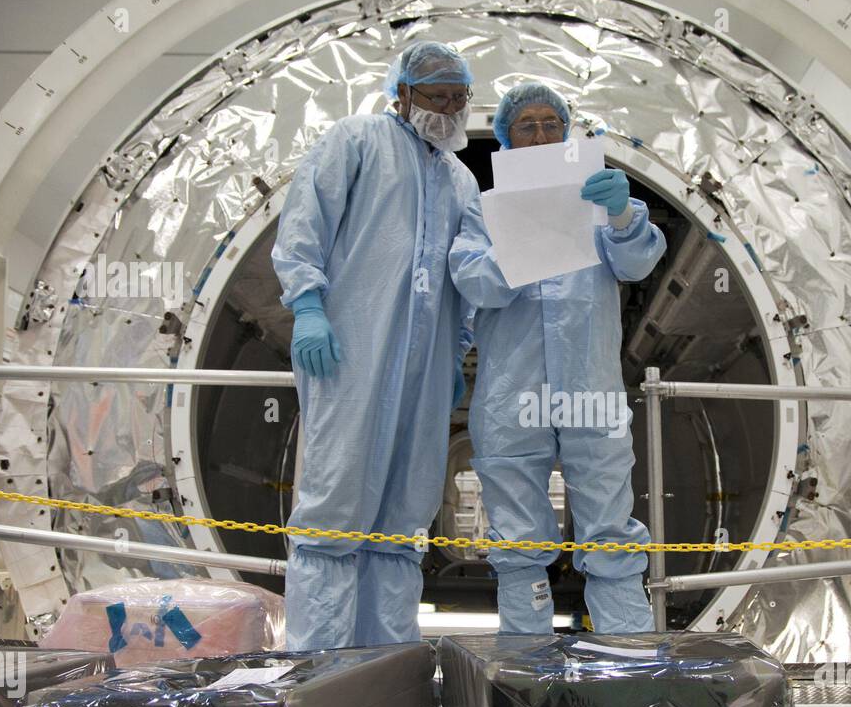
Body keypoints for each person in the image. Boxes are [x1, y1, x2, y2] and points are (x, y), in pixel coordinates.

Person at [271, 41, 477, 650]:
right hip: (349, 355)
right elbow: (304, 220)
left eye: (459, 99)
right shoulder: (356, 141)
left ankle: (385, 669)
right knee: (334, 508)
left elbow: (458, 279)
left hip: (426, 370)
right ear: (402, 92)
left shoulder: (460, 180)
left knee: (400, 522)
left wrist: (456, 354)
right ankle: (320, 669)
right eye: (436, 95)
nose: (448, 108)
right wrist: (307, 304)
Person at [449, 81, 667, 634]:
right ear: (506, 138)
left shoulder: (601, 201)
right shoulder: (482, 212)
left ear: (567, 132)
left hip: (589, 389)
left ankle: (627, 654)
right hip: (512, 395)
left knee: (609, 522)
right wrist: (522, 246)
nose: (541, 133)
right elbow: (473, 278)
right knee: (518, 534)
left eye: (552, 124)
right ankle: (528, 660)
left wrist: (621, 215)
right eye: (528, 125)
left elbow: (638, 262)